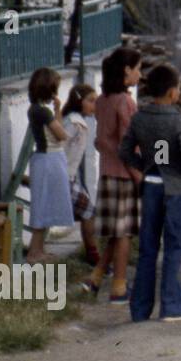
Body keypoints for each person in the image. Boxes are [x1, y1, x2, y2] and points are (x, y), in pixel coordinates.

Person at [119, 64, 181, 322]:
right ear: (172, 92)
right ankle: (173, 307)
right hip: (175, 189)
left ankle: (140, 310)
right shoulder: (178, 120)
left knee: (148, 249)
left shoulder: (140, 118)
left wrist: (143, 167)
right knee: (175, 246)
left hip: (150, 186)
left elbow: (124, 151)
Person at [85, 47, 143, 303]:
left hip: (107, 173)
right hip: (124, 175)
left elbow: (101, 140)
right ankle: (119, 288)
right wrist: (138, 175)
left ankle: (96, 278)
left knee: (114, 233)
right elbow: (128, 144)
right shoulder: (126, 102)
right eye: (138, 68)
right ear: (126, 70)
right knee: (124, 235)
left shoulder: (102, 100)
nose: (140, 74)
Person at [24, 67, 75, 263]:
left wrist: (57, 110)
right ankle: (34, 253)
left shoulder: (40, 110)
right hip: (49, 161)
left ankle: (38, 250)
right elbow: (61, 135)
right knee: (43, 206)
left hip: (49, 160)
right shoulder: (41, 111)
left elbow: (57, 128)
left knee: (44, 205)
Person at [61, 83, 99, 265]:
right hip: (65, 178)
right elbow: (61, 147)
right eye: (91, 101)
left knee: (88, 212)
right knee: (89, 212)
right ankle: (92, 255)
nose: (95, 105)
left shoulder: (73, 120)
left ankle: (92, 252)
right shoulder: (74, 123)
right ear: (79, 102)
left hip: (70, 177)